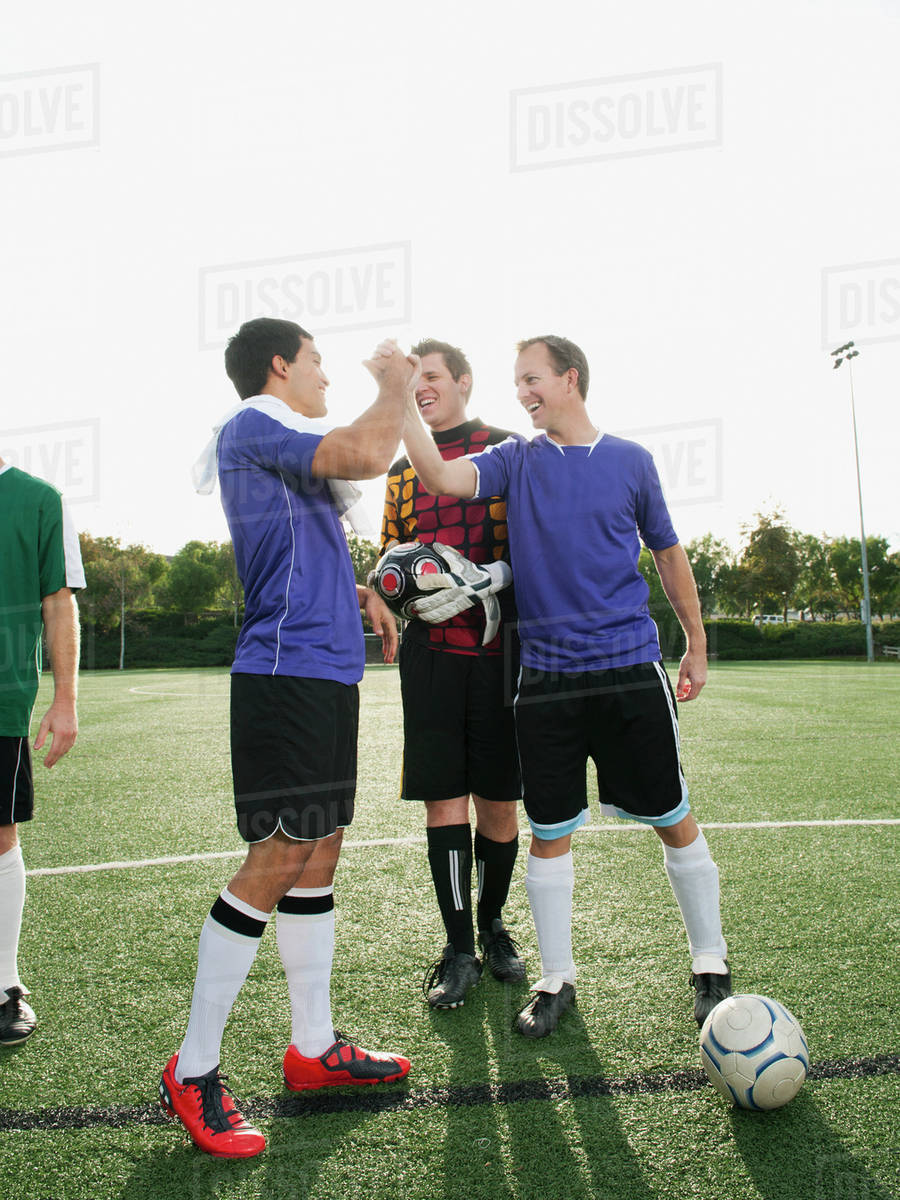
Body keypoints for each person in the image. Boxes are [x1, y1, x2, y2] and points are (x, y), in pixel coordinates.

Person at [396, 334, 732, 1038]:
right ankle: (556, 979)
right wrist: (400, 398)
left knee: (673, 816)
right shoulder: (516, 460)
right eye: (517, 383)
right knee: (548, 834)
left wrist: (696, 644)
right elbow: (440, 476)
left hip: (628, 668)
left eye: (532, 379)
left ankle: (710, 962)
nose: (522, 392)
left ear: (570, 379)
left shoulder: (631, 461)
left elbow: (669, 555)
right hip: (545, 679)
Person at [162, 319, 419, 1159]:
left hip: (322, 669)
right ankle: (193, 1068)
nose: (325, 378)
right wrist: (396, 384)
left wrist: (356, 590)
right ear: (279, 365)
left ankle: (314, 1049)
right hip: (284, 674)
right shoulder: (253, 423)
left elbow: (292, 549)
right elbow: (363, 454)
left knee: (320, 851)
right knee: (279, 855)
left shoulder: (282, 440)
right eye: (315, 362)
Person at [377, 338, 524, 1011]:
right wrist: (388, 591)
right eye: (415, 381)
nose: (424, 388)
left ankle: (494, 924)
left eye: (431, 377)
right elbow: (389, 557)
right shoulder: (402, 473)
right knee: (444, 802)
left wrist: (496, 575)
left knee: (498, 803)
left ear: (463, 382)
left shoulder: (506, 448)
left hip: (500, 656)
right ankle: (458, 946)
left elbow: (535, 544)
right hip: (431, 658)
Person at [0, 458, 84, 1046]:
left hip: (1, 699)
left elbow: (58, 601)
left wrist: (65, 699)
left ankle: (4, 985)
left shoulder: (38, 498)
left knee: (0, 835)